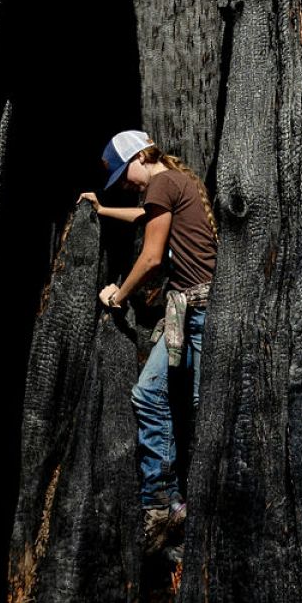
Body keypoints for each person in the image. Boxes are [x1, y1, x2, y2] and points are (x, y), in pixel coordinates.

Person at [79, 129, 218, 556]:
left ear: (142, 156)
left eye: (124, 174)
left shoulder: (161, 183)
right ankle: (168, 504)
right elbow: (145, 218)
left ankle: (186, 506)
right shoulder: (175, 180)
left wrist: (117, 296)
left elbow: (153, 257)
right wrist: (103, 209)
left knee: (194, 407)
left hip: (199, 312)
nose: (125, 184)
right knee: (156, 397)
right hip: (191, 309)